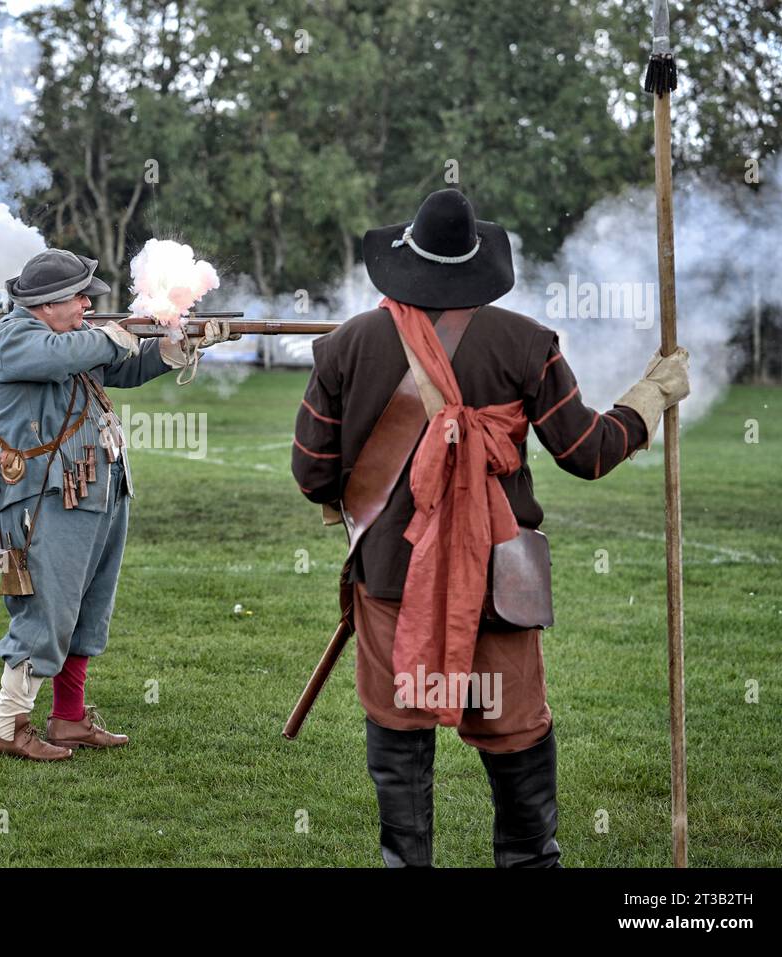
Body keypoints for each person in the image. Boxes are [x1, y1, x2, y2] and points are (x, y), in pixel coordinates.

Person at [292, 188, 690, 867]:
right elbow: (587, 451)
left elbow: (311, 474)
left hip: (390, 581)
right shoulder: (527, 344)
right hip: (499, 584)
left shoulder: (345, 346)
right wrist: (647, 397)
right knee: (515, 735)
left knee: (401, 732)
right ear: (477, 264)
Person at [0, 249, 235, 760]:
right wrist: (114, 333)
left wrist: (175, 347)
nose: (86, 304)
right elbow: (69, 355)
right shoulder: (13, 337)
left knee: (86, 610)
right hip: (44, 495)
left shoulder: (70, 340)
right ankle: (7, 726)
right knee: (45, 610)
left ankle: (68, 718)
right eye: (78, 297)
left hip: (95, 488)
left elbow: (124, 368)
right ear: (47, 304)